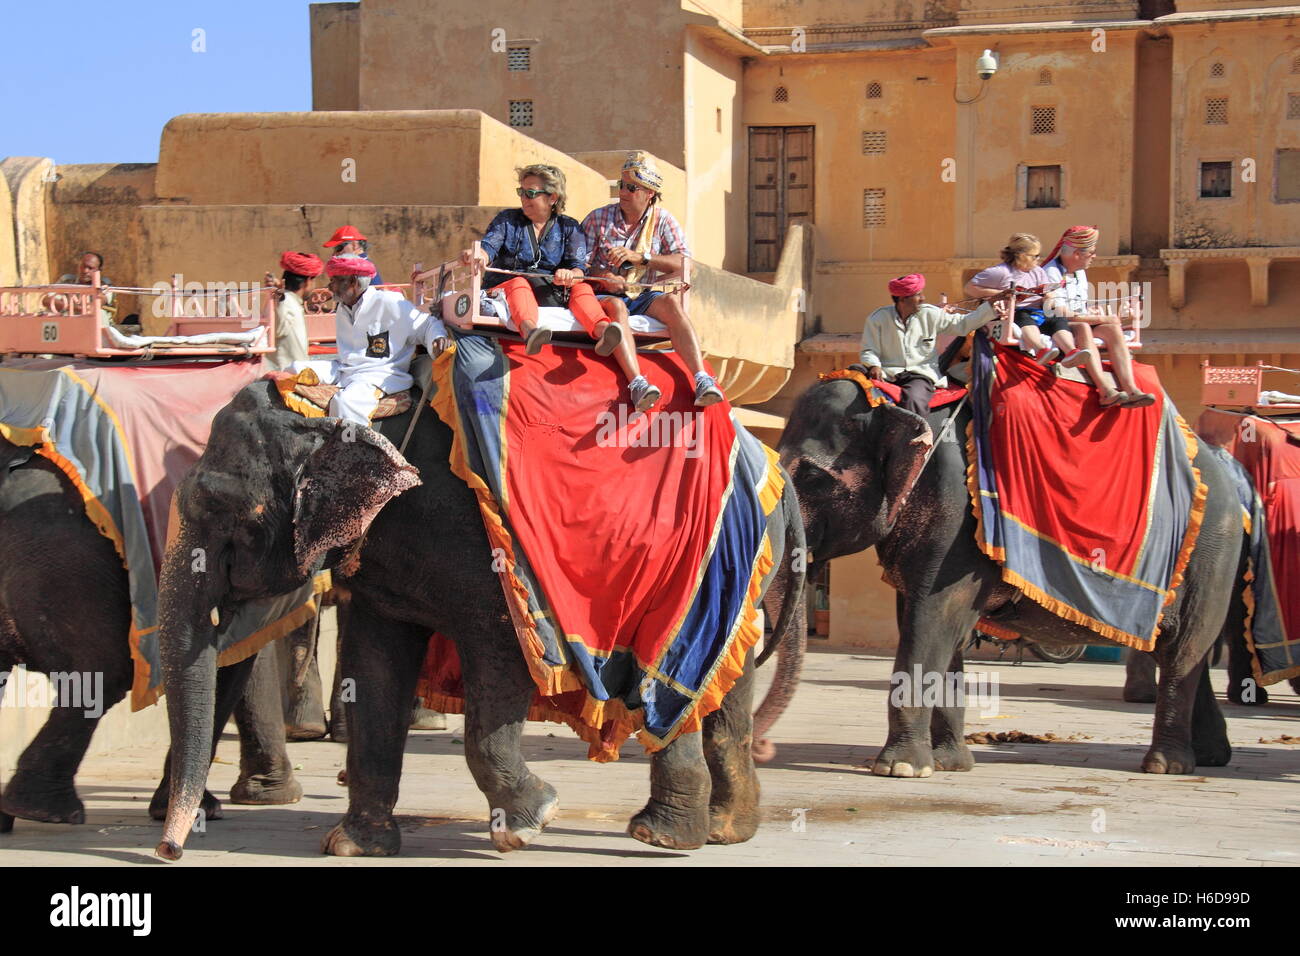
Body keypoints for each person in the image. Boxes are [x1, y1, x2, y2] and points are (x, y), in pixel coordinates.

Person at [460, 165, 644, 391]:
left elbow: (578, 268)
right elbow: (489, 246)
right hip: (508, 287)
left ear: (553, 198)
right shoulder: (507, 220)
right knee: (519, 283)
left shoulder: (569, 227)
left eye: (531, 193)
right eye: (521, 192)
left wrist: (571, 275)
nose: (524, 198)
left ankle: (604, 331)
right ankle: (531, 332)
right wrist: (479, 254)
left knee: (582, 288)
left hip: (551, 289)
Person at [581, 152, 723, 407]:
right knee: (618, 306)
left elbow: (686, 263)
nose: (622, 192)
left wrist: (642, 258)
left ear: (649, 193)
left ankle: (702, 379)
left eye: (631, 187)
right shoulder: (597, 219)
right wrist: (605, 277)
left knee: (671, 303)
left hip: (641, 294)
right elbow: (580, 264)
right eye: (621, 185)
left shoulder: (663, 220)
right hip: (604, 295)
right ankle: (637, 383)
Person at [299, 255, 450, 426]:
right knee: (293, 370)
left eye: (334, 281)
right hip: (344, 368)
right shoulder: (343, 309)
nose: (329, 286)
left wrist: (438, 338)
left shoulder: (390, 302)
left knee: (346, 403)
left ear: (353, 282)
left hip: (378, 374)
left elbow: (427, 325)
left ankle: (353, 443)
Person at [1040, 225, 1155, 408]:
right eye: (1091, 252)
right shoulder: (1051, 273)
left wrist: (1095, 313)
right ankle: (1105, 390)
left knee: (1112, 329)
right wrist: (1098, 319)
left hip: (1077, 319)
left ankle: (1131, 389)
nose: (1094, 256)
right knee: (1084, 327)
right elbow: (1059, 312)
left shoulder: (1079, 272)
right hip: (1056, 324)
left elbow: (1079, 305)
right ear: (1076, 254)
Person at [860, 274, 1001, 416]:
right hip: (887, 372)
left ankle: (914, 431)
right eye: (918, 295)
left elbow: (963, 324)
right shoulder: (878, 318)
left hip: (919, 374)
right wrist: (874, 365)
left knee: (914, 399)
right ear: (902, 299)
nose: (923, 298)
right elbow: (869, 349)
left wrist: (991, 304)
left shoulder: (930, 314)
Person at [964, 233, 1089, 369]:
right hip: (1014, 311)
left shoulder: (1038, 271)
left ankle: (1071, 351)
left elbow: (1048, 292)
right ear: (1022, 256)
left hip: (1039, 311)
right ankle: (1040, 349)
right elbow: (970, 288)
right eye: (1035, 256)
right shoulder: (1001, 272)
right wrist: (1003, 294)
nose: (1038, 259)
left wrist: (1049, 297)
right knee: (1023, 316)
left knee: (1057, 318)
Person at [265, 251, 323, 371]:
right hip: (285, 377)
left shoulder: (290, 301)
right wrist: (279, 297)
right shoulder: (284, 301)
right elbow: (277, 329)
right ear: (308, 281)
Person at [53, 251, 116, 325]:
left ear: (99, 270)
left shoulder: (104, 284)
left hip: (93, 323)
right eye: (83, 266)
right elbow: (47, 300)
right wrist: (74, 308)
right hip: (69, 320)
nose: (85, 271)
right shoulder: (67, 280)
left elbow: (98, 302)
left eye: (90, 268)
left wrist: (74, 308)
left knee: (100, 313)